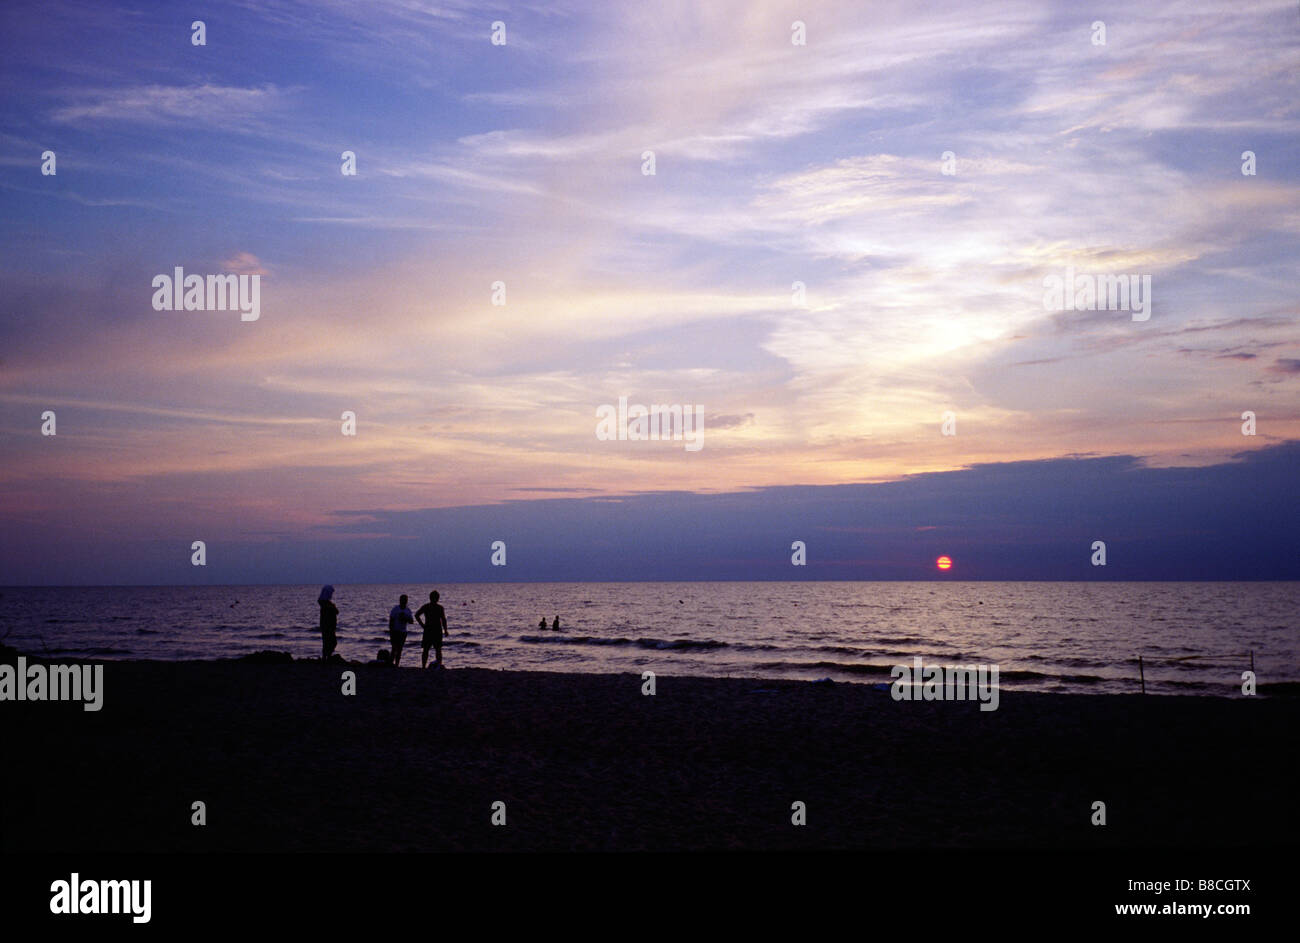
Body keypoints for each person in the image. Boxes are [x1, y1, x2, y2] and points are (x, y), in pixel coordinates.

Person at [415, 591, 449, 669]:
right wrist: (422, 625)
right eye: (436, 597)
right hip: (431, 630)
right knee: (429, 649)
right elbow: (417, 615)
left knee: (435, 649)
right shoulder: (431, 607)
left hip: (434, 630)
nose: (436, 599)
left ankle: (435, 665)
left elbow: (443, 619)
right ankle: (425, 666)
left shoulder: (437, 607)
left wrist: (445, 630)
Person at [388, 594, 414, 666]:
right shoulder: (395, 609)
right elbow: (391, 620)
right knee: (394, 648)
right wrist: (391, 631)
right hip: (395, 631)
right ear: (400, 600)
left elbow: (411, 621)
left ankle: (397, 664)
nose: (404, 601)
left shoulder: (407, 610)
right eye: (403, 600)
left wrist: (405, 618)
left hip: (403, 632)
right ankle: (391, 663)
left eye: (405, 600)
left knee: (400, 649)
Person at [318, 585, 338, 660]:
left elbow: (335, 611)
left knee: (328, 642)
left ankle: (326, 657)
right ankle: (326, 657)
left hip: (328, 625)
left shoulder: (326, 603)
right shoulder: (325, 603)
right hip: (327, 625)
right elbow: (335, 611)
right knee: (330, 642)